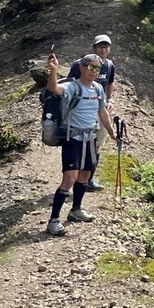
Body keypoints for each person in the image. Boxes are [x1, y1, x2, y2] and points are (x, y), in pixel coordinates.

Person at [43, 52, 119, 236]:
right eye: (90, 67)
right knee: (69, 178)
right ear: (82, 68)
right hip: (72, 138)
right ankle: (53, 220)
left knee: (85, 175)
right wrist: (53, 70)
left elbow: (102, 112)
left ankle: (76, 210)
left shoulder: (98, 89)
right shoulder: (72, 86)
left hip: (90, 138)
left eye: (97, 68)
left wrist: (111, 132)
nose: (93, 71)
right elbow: (54, 89)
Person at [66, 35, 116, 192]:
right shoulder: (80, 64)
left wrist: (109, 100)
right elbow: (69, 85)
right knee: (79, 144)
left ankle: (89, 178)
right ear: (93, 47)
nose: (103, 49)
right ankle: (73, 180)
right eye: (100, 46)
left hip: (100, 110)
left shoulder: (109, 65)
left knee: (97, 144)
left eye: (106, 46)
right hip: (82, 111)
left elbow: (110, 83)